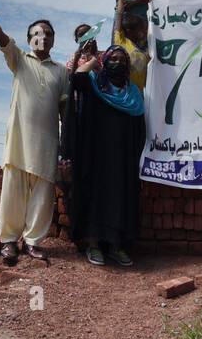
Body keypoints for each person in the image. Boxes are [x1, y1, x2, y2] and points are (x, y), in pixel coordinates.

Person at [0, 0, 67, 263]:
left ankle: (33, 242)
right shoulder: (19, 59)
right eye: (37, 33)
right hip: (19, 139)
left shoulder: (61, 71)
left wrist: (67, 140)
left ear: (53, 40)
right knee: (13, 189)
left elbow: (64, 108)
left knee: (42, 193)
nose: (42, 37)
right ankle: (9, 240)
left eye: (47, 34)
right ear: (29, 39)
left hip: (47, 140)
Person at [61, 46, 146, 267]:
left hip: (123, 158)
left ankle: (116, 247)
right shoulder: (96, 83)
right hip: (95, 154)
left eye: (122, 60)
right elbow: (77, 77)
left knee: (121, 198)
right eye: (112, 59)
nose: (117, 63)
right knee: (95, 196)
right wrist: (94, 61)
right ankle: (94, 245)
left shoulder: (134, 93)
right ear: (104, 62)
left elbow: (139, 128)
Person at [111, 0, 150, 90]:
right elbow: (119, 15)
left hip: (139, 96)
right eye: (141, 29)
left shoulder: (146, 51)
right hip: (123, 93)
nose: (145, 32)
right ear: (129, 30)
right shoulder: (121, 41)